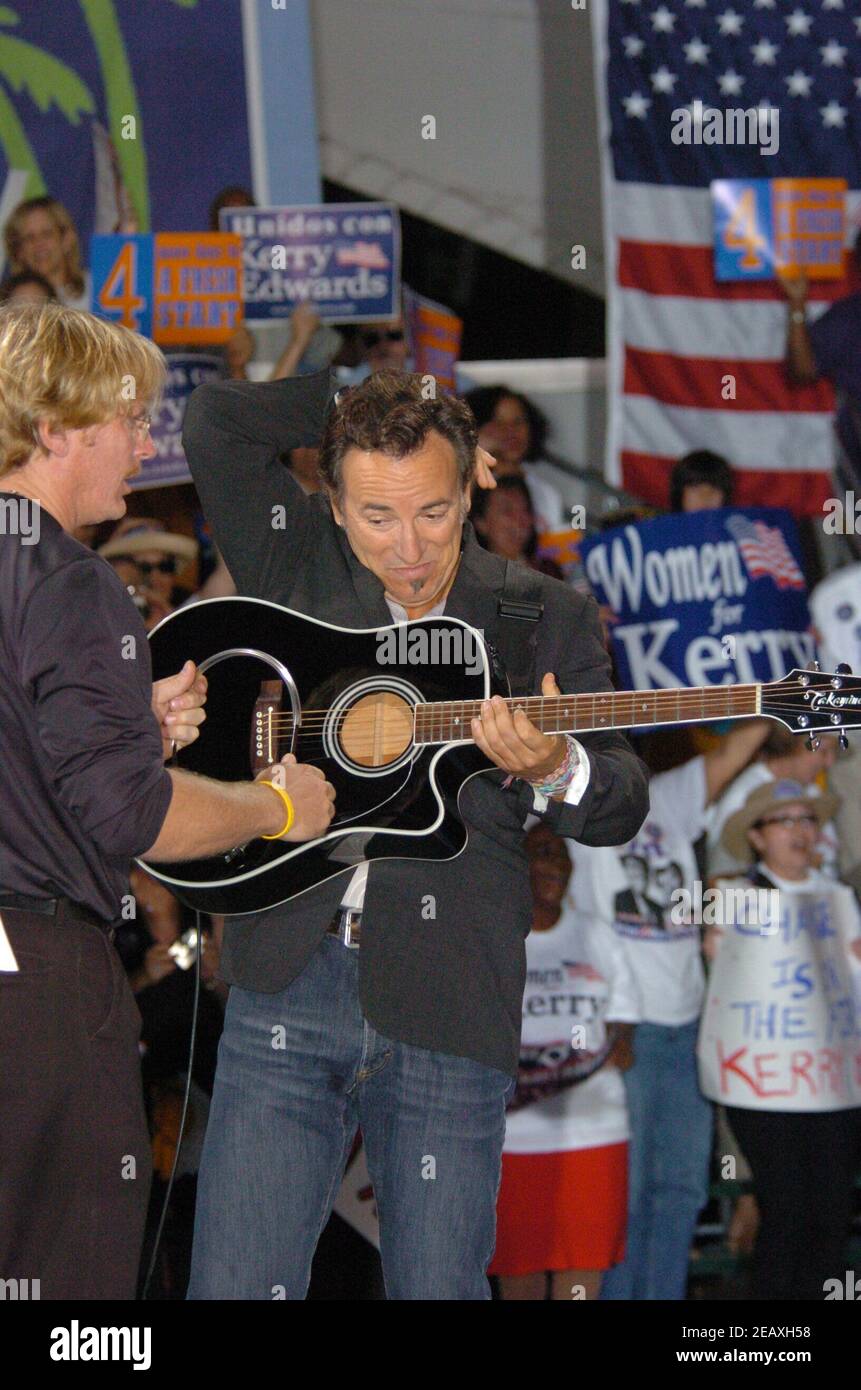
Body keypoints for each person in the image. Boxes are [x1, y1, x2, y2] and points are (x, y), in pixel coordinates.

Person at [181, 365, 649, 1300]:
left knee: (438, 1288)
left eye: (432, 513)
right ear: (333, 499)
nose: (406, 549)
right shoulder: (295, 561)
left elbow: (623, 799)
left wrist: (553, 769)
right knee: (236, 1285)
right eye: (376, 516)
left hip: (450, 999)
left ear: (475, 477)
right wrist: (361, 400)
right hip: (287, 980)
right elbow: (214, 421)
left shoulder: (539, 612)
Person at [0, 302, 336, 1301]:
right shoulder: (69, 580)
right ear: (58, 428)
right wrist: (274, 806)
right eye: (129, 419)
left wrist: (121, 720)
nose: (146, 445)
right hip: (40, 982)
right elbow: (133, 819)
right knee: (74, 1291)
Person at [571, 718, 772, 1301]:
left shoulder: (669, 798)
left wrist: (782, 639)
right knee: (623, 1195)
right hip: (619, 1025)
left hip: (687, 1024)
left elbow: (741, 742)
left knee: (681, 1188)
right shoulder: (568, 799)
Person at [701, 779, 861, 1301]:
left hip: (831, 1080)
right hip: (766, 1084)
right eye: (785, 820)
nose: (800, 830)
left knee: (832, 1211)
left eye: (808, 819)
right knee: (787, 1208)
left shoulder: (839, 899)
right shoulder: (732, 897)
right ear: (757, 836)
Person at [490, 825, 639, 1301]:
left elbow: (626, 1016)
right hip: (513, 1137)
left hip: (593, 1132)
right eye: (543, 854)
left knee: (583, 1270)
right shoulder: (496, 941)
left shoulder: (597, 935)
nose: (555, 867)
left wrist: (618, 1039)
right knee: (520, 1272)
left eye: (564, 859)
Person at [706, 726, 841, 882]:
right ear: (794, 745)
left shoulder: (813, 791)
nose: (830, 762)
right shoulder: (742, 795)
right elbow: (719, 877)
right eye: (823, 751)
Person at [464, 383, 568, 533]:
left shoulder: (545, 493)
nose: (511, 432)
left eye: (518, 421)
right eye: (499, 423)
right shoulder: (466, 482)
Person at [3, 196, 90, 309]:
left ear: (66, 240)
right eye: (30, 238)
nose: (39, 244)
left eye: (46, 234)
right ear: (19, 251)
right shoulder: (7, 303)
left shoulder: (97, 290)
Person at [470, 474, 564, 578]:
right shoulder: (469, 576)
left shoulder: (548, 573)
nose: (519, 520)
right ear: (480, 523)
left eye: (525, 509)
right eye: (507, 510)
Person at [669, 450, 734, 514]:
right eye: (696, 487)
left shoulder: (735, 523)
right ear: (679, 493)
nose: (705, 496)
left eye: (714, 488)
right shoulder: (663, 523)